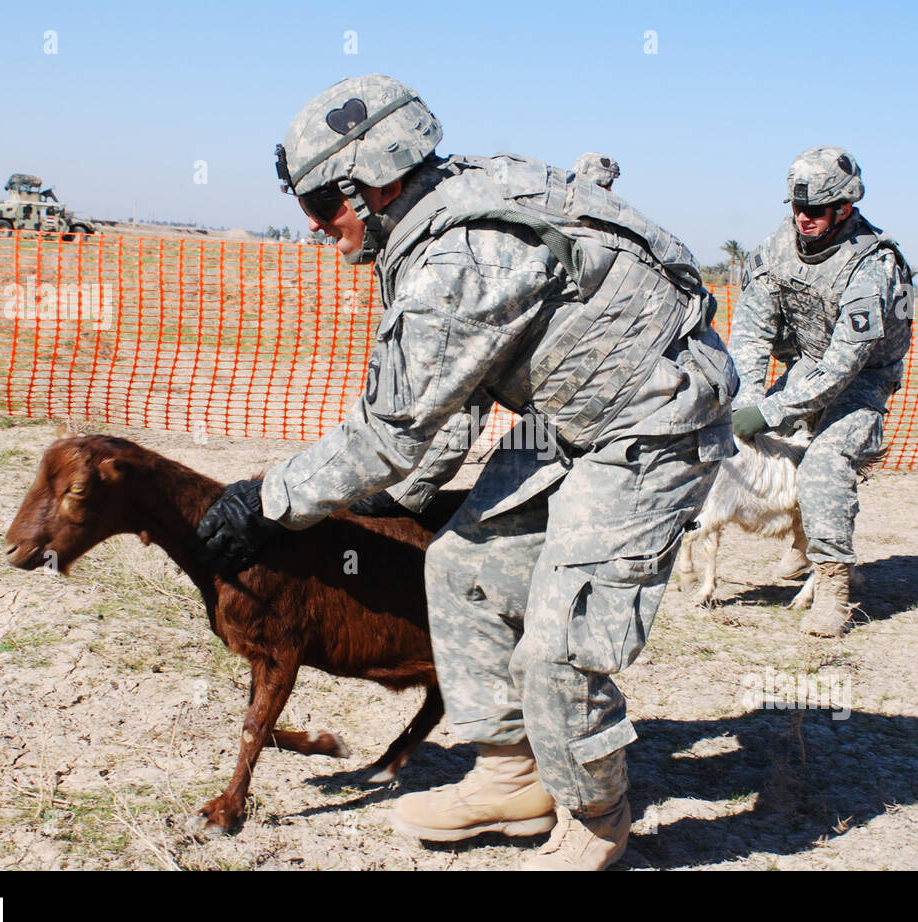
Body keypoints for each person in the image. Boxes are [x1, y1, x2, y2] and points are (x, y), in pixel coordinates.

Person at [191, 75, 737, 870]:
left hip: (649, 424)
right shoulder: (441, 210)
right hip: (566, 414)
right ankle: (512, 775)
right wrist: (403, 495)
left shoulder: (456, 257)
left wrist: (267, 501)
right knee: (460, 561)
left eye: (318, 206)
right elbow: (458, 394)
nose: (313, 227)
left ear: (372, 181)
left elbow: (392, 428)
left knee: (562, 636)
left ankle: (594, 818)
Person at [726, 146, 912, 637]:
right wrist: (747, 400)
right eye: (796, 208)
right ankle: (803, 539)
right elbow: (750, 331)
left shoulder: (874, 266)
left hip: (861, 382)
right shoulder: (775, 249)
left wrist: (773, 410)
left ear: (845, 208)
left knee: (825, 462)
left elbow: (844, 363)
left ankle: (834, 587)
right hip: (804, 367)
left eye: (815, 211)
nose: (803, 219)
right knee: (772, 448)